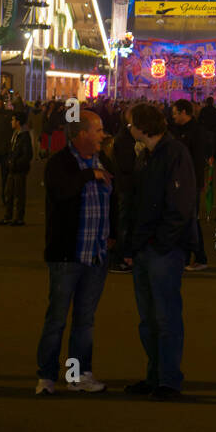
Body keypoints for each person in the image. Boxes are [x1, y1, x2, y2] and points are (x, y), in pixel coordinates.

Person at [35, 111, 115, 395]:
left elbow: (114, 200)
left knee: (85, 320)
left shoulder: (103, 160)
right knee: (57, 318)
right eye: (98, 130)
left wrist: (114, 237)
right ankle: (46, 376)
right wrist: (88, 175)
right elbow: (61, 191)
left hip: (96, 255)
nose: (102, 135)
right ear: (82, 134)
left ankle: (79, 374)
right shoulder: (61, 162)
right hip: (67, 255)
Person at [126, 101, 198, 399]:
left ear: (143, 127)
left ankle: (168, 379)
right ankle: (155, 374)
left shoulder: (173, 153)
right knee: (148, 318)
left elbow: (179, 206)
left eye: (130, 124)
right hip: (146, 246)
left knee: (165, 316)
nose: (128, 129)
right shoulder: (149, 154)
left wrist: (161, 242)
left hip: (162, 249)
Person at [172, 100, 209, 272]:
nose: (173, 116)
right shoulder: (177, 131)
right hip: (181, 182)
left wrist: (198, 183)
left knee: (191, 220)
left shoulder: (196, 131)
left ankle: (199, 256)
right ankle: (187, 257)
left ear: (184, 112)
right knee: (186, 220)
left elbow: (198, 160)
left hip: (191, 183)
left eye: (175, 113)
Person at [108, 107, 139, 272]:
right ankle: (120, 257)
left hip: (127, 185)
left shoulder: (128, 137)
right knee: (124, 222)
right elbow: (127, 165)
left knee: (126, 221)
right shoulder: (124, 139)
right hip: (126, 186)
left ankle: (124, 255)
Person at [0, 109, 33, 225]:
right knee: (9, 193)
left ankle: (19, 218)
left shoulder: (24, 135)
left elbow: (27, 154)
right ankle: (8, 216)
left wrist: (16, 163)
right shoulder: (16, 134)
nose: (11, 122)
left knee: (19, 194)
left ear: (18, 122)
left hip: (19, 170)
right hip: (12, 168)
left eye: (13, 120)